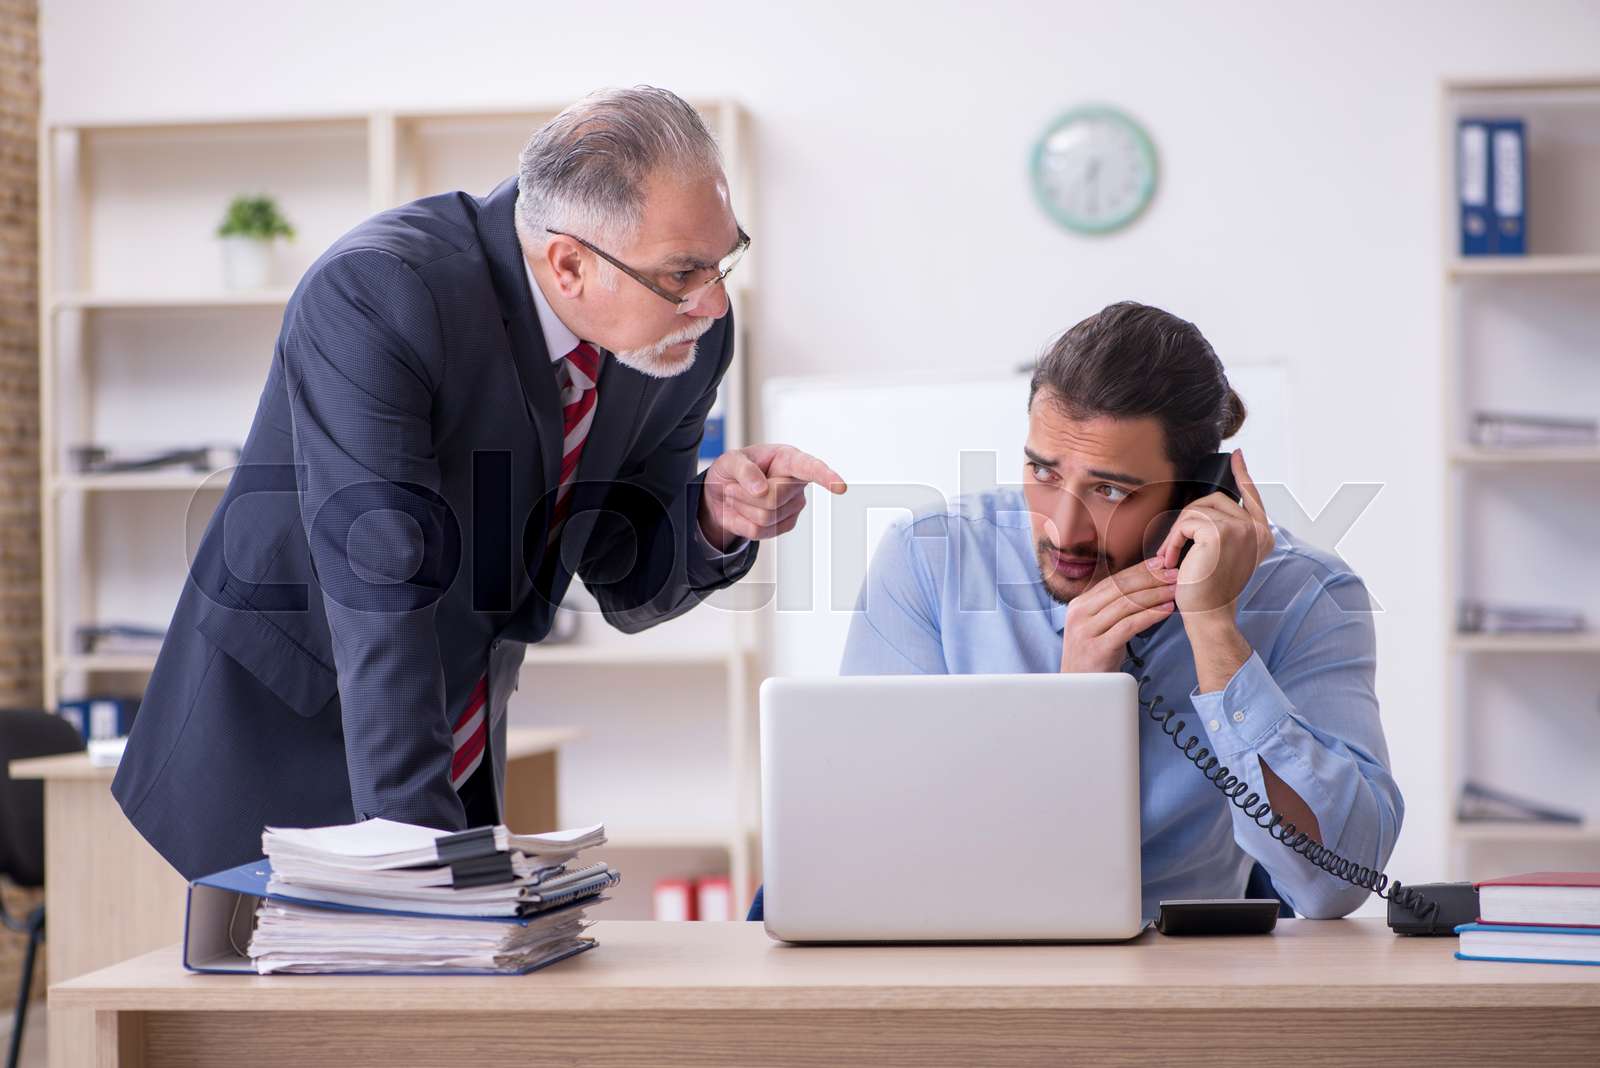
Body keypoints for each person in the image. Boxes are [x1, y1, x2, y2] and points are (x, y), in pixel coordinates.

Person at [114, 87, 843, 880]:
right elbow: (380, 584)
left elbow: (626, 579)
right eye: (683, 272)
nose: (713, 300)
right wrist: (426, 877)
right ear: (569, 264)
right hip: (271, 739)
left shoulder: (688, 336)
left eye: (725, 256)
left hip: (449, 726)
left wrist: (710, 515)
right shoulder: (379, 293)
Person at [754, 301, 1399, 921]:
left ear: (1200, 491)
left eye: (1110, 489)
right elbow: (876, 851)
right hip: (970, 965)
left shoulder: (1309, 595)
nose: (1063, 530)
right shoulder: (931, 561)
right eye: (1044, 472)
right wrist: (1076, 707)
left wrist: (1215, 632)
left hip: (1192, 986)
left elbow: (1334, 885)